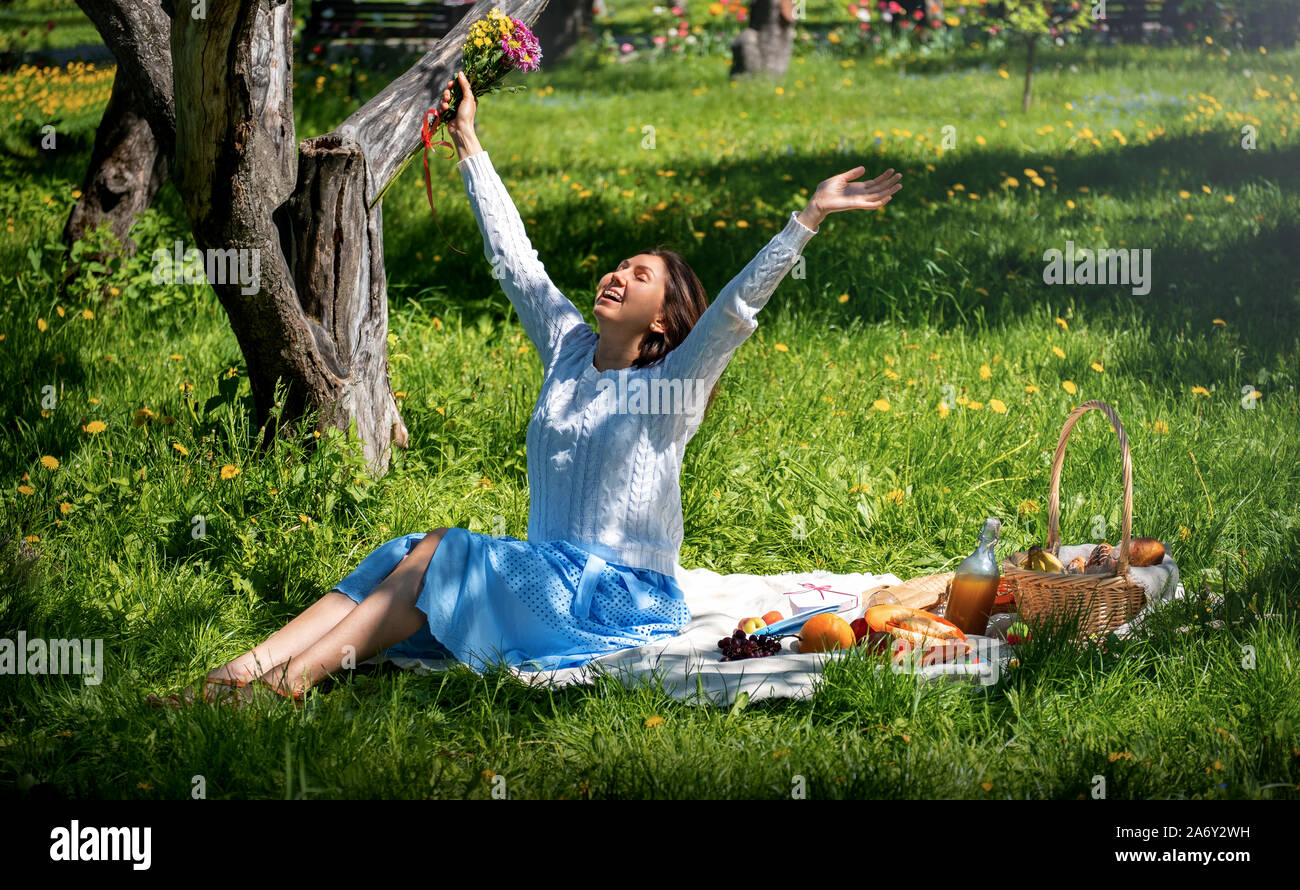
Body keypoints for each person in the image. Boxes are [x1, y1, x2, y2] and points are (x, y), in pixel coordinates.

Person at [152, 71, 901, 707]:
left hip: (619, 600)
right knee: (401, 552)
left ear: (666, 321)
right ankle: (234, 677)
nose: (616, 275)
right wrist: (468, 142)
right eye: (619, 266)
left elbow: (735, 309)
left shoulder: (675, 383)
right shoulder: (568, 352)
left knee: (442, 550)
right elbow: (517, 264)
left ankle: (288, 686)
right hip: (549, 578)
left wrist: (806, 220)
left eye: (640, 277)